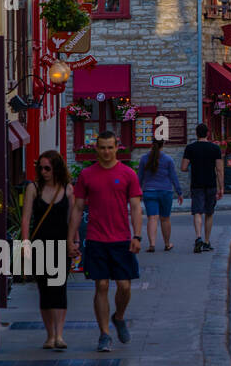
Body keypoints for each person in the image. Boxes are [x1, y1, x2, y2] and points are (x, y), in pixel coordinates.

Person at [68, 132, 143, 353]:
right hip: (96, 239)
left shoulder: (128, 174)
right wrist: (71, 238)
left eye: (110, 147)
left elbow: (136, 207)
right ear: (96, 149)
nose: (106, 152)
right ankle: (104, 334)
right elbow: (78, 208)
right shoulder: (87, 175)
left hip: (121, 239)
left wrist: (137, 235)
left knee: (125, 286)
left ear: (117, 148)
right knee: (101, 285)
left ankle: (118, 317)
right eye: (102, 148)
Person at [21, 150, 72, 350]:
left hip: (61, 244)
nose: (43, 172)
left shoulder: (67, 189)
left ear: (57, 168)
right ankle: (49, 335)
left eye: (47, 168)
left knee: (59, 288)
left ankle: (59, 334)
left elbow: (71, 219)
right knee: (44, 290)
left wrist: (73, 242)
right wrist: (25, 244)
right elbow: (26, 218)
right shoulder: (33, 188)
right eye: (40, 168)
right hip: (39, 245)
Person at [181, 124, 223, 253]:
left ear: (196, 134)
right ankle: (206, 241)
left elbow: (183, 167)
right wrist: (221, 188)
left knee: (197, 212)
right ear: (208, 133)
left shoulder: (190, 148)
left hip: (197, 183)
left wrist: (193, 166)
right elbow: (220, 170)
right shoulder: (215, 148)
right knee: (209, 213)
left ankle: (198, 237)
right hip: (210, 183)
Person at [136, 139, 182, 252]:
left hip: (149, 191)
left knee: (152, 218)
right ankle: (167, 244)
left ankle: (152, 244)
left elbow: (139, 177)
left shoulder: (144, 159)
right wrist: (179, 192)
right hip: (165, 191)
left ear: (151, 145)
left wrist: (137, 192)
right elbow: (173, 177)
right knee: (165, 219)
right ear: (163, 145)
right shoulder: (168, 159)